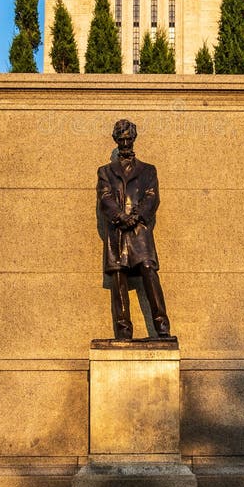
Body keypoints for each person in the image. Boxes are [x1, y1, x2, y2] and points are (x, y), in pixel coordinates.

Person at [97, 119, 171, 340]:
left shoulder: (148, 170)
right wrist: (121, 217)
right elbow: (105, 198)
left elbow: (152, 196)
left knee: (149, 270)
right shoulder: (105, 171)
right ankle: (123, 331)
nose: (126, 142)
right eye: (121, 138)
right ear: (116, 140)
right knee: (118, 278)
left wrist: (136, 216)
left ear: (134, 138)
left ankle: (162, 326)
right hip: (117, 232)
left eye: (129, 138)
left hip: (140, 230)